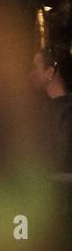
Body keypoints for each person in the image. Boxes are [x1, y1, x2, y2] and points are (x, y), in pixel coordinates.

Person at [34, 48, 72, 177]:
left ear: (50, 72)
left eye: (35, 67)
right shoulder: (41, 107)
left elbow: (63, 159)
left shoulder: (68, 111)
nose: (31, 73)